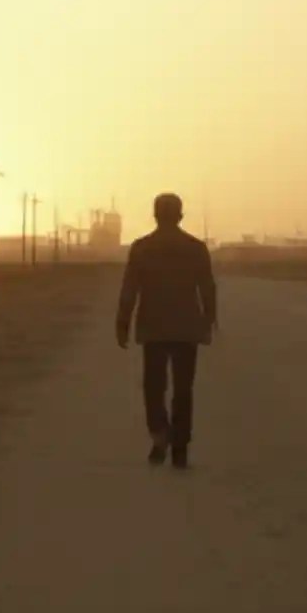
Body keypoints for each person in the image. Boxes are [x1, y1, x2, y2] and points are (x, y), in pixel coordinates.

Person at [116, 193, 217, 469]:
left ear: (155, 215)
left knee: (154, 386)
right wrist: (210, 318)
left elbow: (129, 289)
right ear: (180, 215)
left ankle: (160, 434)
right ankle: (181, 446)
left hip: (154, 326)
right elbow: (207, 287)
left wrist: (122, 323)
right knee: (184, 389)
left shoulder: (141, 248)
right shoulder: (196, 248)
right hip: (186, 327)